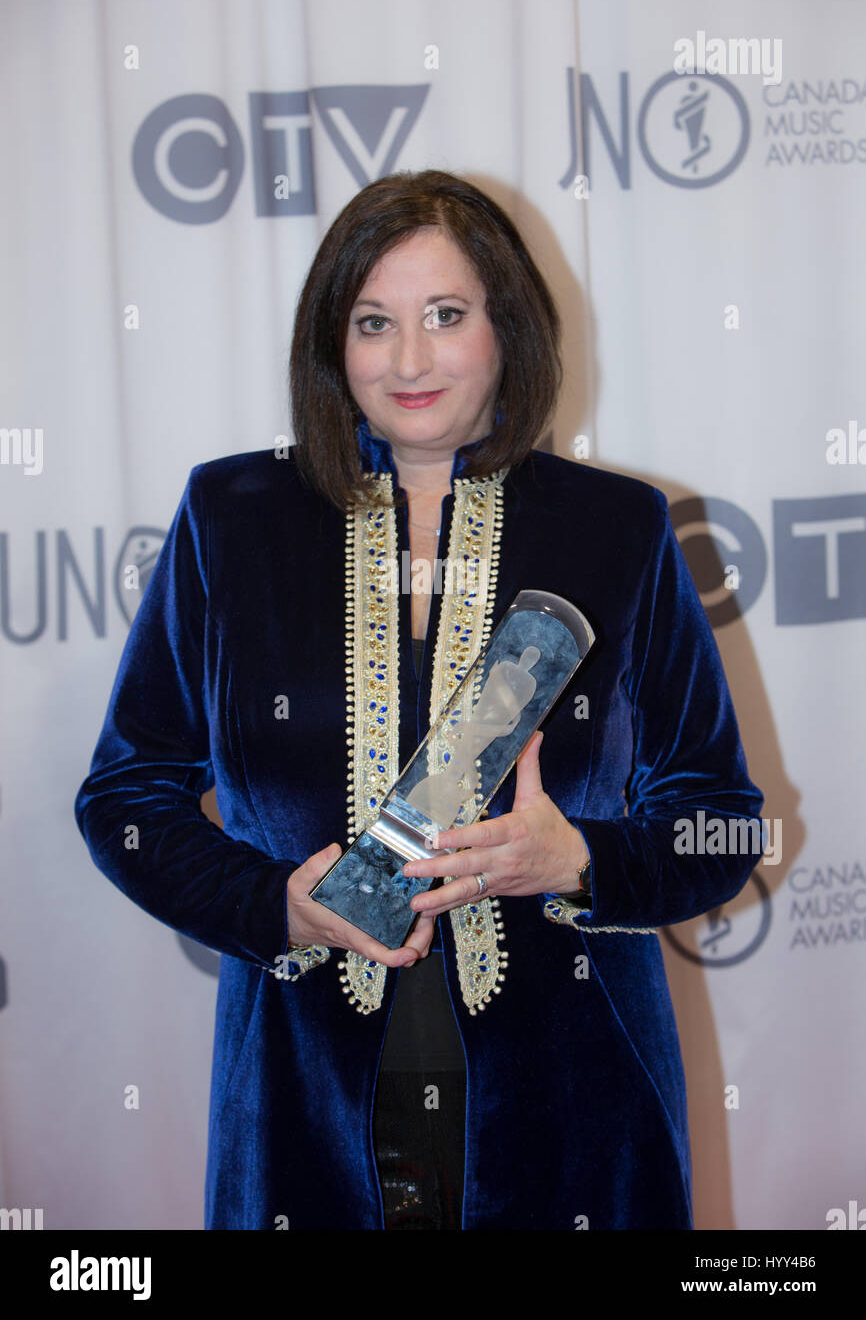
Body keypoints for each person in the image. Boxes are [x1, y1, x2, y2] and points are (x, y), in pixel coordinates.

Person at [74, 169, 764, 1231]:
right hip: (297, 1098)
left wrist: (577, 859)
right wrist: (273, 905)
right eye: (372, 322)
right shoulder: (234, 516)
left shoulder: (616, 527)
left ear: (506, 330)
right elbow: (127, 795)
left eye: (444, 316)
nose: (406, 360)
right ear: (330, 343)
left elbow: (721, 822)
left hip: (575, 1105)